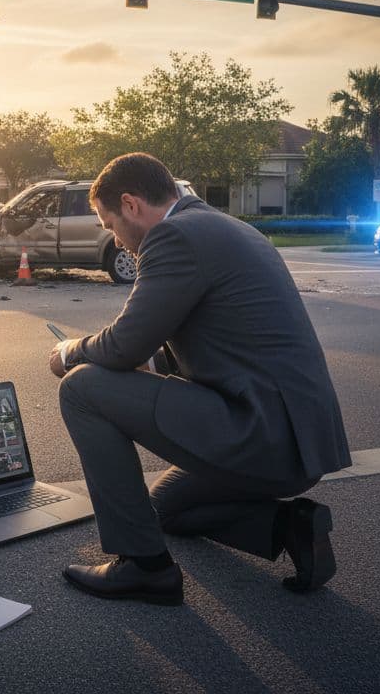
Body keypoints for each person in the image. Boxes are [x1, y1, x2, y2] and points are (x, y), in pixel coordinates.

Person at [50, 153, 351, 606]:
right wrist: (149, 366)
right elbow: (217, 343)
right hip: (301, 440)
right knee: (165, 508)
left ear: (131, 205)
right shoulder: (226, 227)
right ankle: (288, 527)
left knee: (81, 388)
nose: (116, 240)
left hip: (264, 437)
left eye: (110, 225)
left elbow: (123, 346)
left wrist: (69, 351)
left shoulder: (172, 236)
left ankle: (145, 567)